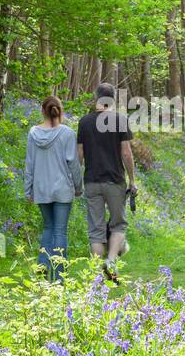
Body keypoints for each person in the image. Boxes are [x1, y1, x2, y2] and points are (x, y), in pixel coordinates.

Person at [76, 82, 137, 283]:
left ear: (96, 97)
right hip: (115, 181)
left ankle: (96, 276)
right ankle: (110, 261)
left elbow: (80, 155)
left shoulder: (84, 122)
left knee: (96, 229)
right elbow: (126, 152)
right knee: (118, 224)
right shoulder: (120, 120)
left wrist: (78, 180)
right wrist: (132, 180)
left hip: (92, 181)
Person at [24, 96, 83, 282]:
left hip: (41, 189)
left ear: (43, 111)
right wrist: (78, 186)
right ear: (60, 110)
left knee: (48, 229)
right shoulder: (67, 133)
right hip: (63, 189)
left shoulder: (33, 133)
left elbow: (29, 164)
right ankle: (59, 278)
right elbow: (73, 163)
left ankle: (42, 270)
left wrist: (28, 190)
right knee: (60, 232)